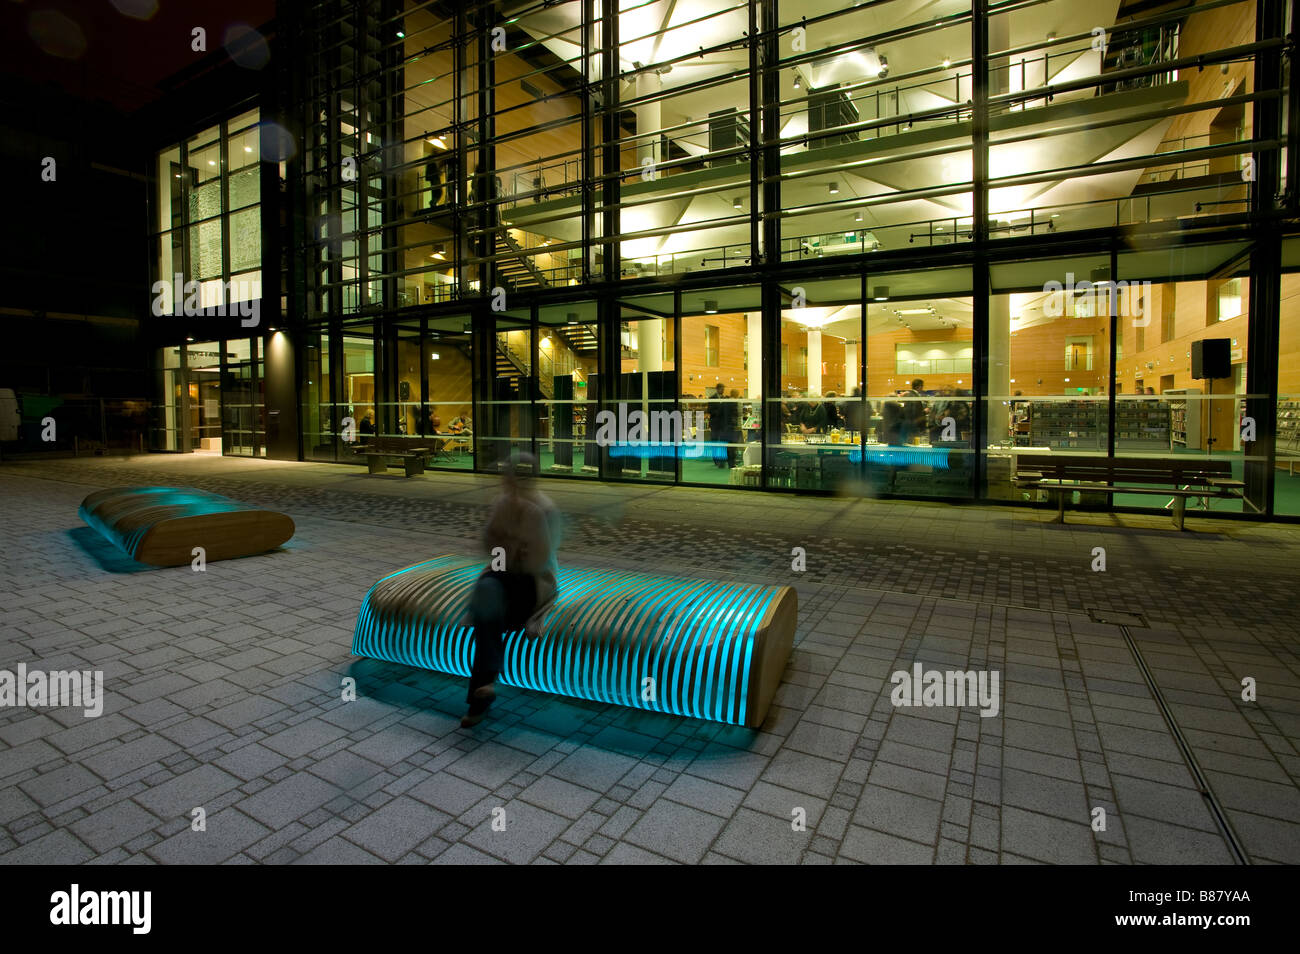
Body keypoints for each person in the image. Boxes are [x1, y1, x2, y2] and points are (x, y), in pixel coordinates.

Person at [461, 453, 561, 728]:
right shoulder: (503, 505)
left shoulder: (543, 508)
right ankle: (484, 690)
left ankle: (482, 694)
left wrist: (513, 545)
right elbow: (491, 548)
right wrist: (504, 554)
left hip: (533, 581)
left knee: (490, 603)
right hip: (503, 577)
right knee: (487, 592)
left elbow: (539, 561)